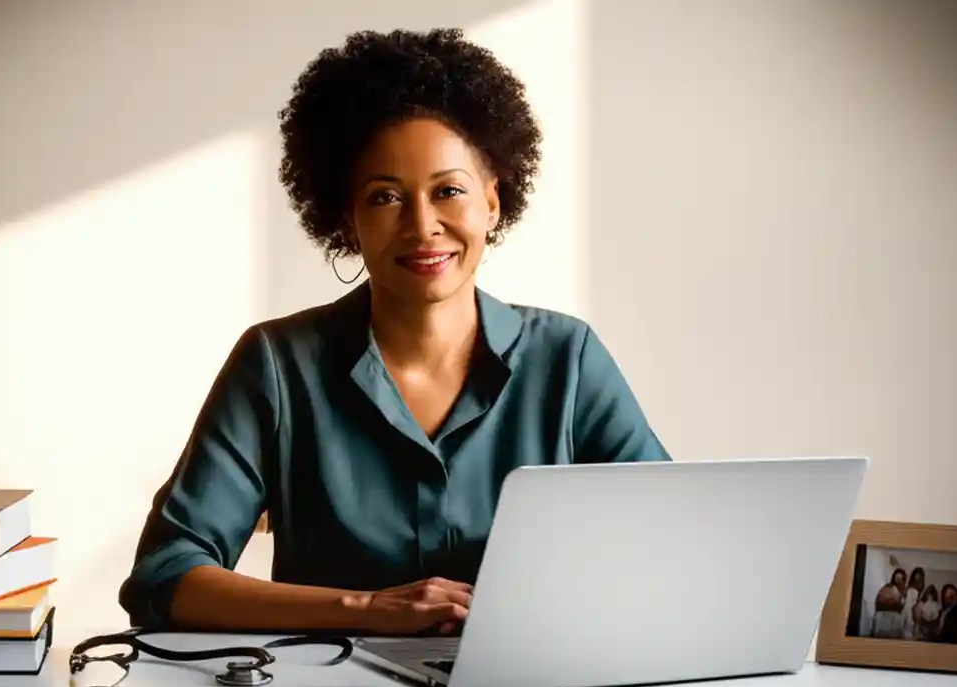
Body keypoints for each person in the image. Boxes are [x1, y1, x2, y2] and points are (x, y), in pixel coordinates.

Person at [118, 29, 669, 634]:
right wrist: (365, 609)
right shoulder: (278, 365)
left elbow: (671, 541)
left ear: (492, 201)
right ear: (346, 218)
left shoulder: (569, 358)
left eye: (449, 191)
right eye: (384, 197)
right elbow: (165, 575)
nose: (422, 224)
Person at [871, 568, 907, 638]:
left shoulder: (903, 591)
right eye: (897, 578)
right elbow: (880, 601)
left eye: (901, 578)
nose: (899, 580)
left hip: (895, 620)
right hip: (884, 618)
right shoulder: (889, 587)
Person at [901, 567, 925, 640]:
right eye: (916, 576)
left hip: (912, 617)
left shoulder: (917, 591)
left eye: (919, 577)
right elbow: (908, 607)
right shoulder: (911, 590)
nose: (917, 579)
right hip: (909, 616)